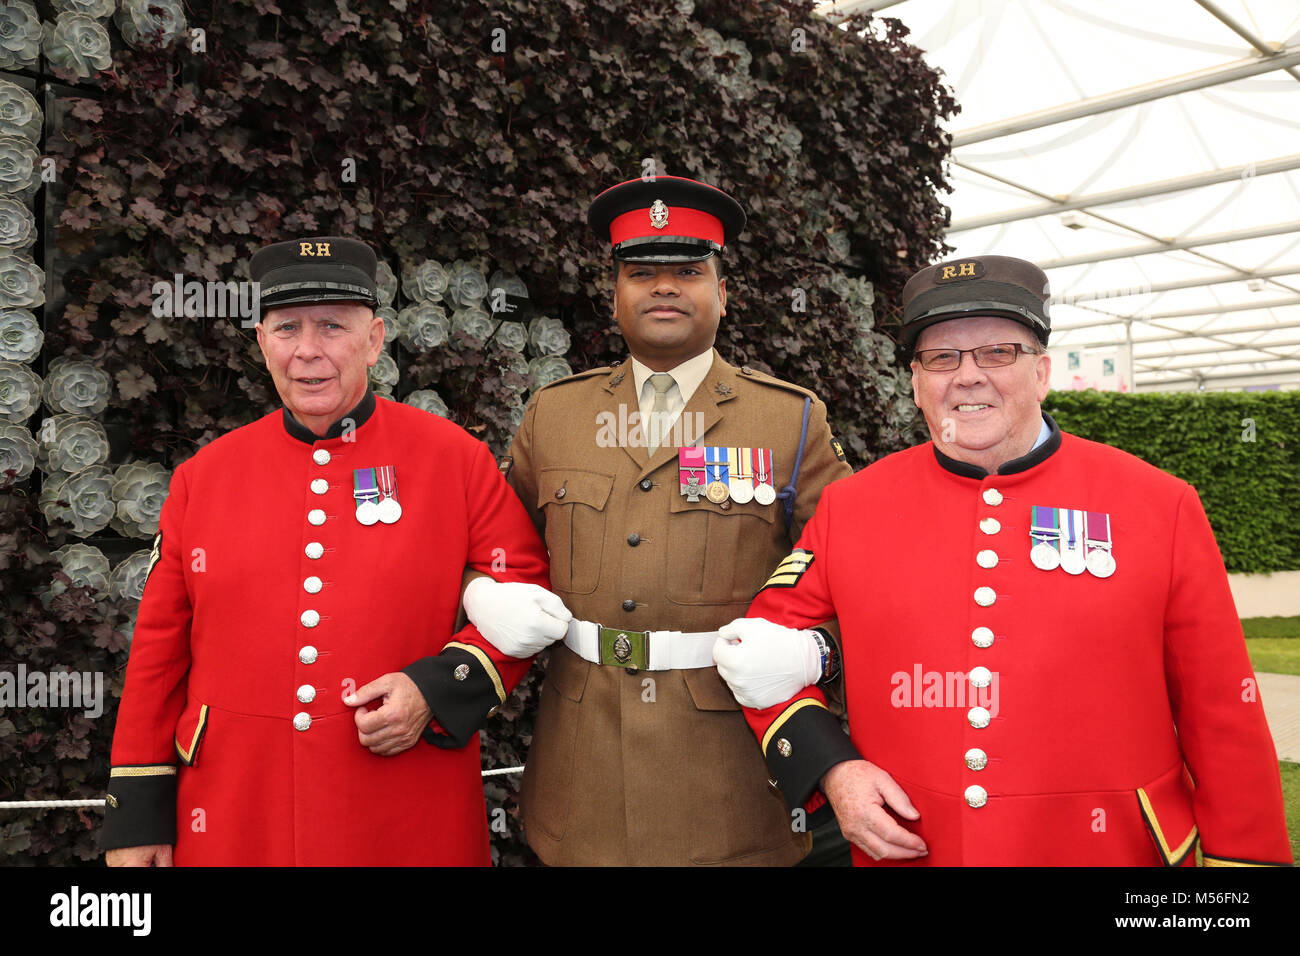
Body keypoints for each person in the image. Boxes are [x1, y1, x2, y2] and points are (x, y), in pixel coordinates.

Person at [713, 255, 1293, 867]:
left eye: (998, 352)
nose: (967, 377)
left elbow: (1224, 709)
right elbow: (760, 652)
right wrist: (833, 769)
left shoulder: (1160, 505)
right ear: (916, 382)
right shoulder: (851, 508)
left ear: (1042, 372)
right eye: (942, 357)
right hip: (921, 853)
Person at [100, 236, 551, 866]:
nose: (307, 351)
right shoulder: (204, 477)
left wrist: (437, 690)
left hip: (400, 809)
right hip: (234, 812)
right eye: (287, 328)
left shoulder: (454, 460)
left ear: (374, 339)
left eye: (333, 326)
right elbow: (157, 651)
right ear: (262, 342)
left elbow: (526, 593)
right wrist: (137, 815)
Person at [462, 176, 853, 865]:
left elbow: (847, 567)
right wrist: (484, 593)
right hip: (582, 772)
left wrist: (808, 653)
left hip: (729, 773)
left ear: (723, 294)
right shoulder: (554, 415)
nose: (664, 288)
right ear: (614, 296)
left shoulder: (789, 419)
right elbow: (499, 551)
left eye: (688, 272)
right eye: (642, 273)